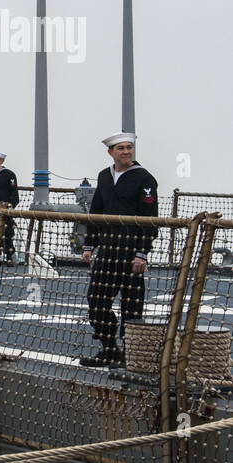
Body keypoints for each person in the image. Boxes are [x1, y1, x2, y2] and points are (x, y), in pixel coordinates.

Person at [79, 132, 159, 368]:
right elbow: (96, 211)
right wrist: (89, 244)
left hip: (131, 253)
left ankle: (131, 354)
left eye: (129, 148)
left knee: (131, 306)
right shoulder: (104, 176)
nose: (126, 152)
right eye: (121, 148)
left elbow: (149, 218)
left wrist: (142, 253)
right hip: (107, 251)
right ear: (111, 153)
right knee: (96, 300)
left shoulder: (144, 179)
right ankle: (110, 349)